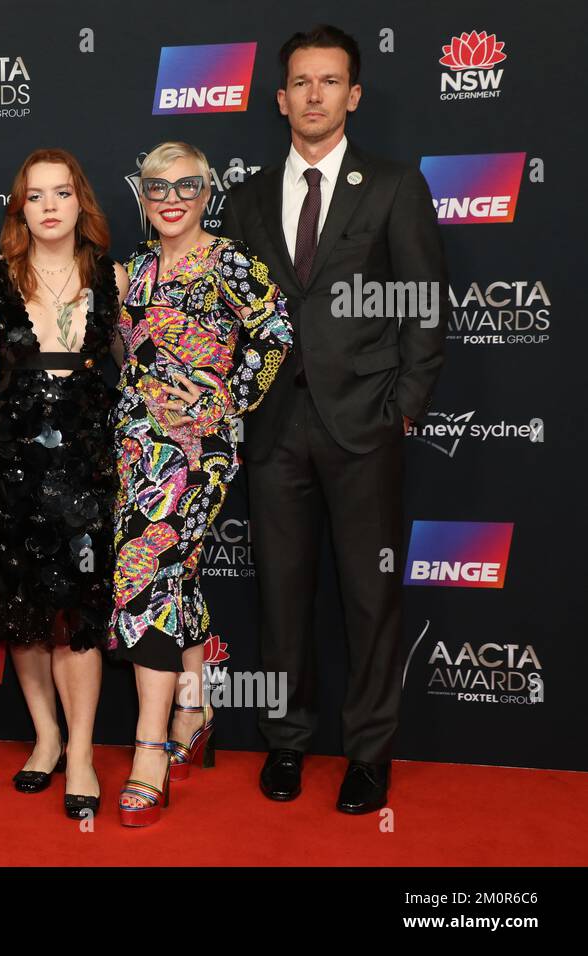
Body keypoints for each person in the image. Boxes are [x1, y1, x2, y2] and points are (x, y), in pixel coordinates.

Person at [221, 24, 447, 813]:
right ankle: (285, 743)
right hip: (274, 428)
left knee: (369, 598)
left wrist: (403, 410)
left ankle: (369, 755)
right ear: (280, 98)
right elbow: (232, 316)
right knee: (282, 595)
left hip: (364, 427)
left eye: (330, 82)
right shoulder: (246, 196)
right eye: (301, 83)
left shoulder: (392, 185)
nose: (314, 95)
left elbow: (423, 305)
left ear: (352, 96)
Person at [112, 142, 292, 826]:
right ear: (142, 193)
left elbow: (276, 334)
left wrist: (227, 397)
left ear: (208, 191)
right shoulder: (131, 268)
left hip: (197, 451)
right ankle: (194, 706)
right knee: (174, 575)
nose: (171, 198)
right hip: (134, 447)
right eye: (157, 186)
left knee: (142, 575)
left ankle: (149, 751)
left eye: (186, 185)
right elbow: (123, 352)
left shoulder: (232, 262)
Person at [0, 149, 124, 820]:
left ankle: (81, 750)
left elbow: (137, 371)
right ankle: (46, 736)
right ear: (19, 208)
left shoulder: (112, 278)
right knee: (25, 615)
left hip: (88, 470)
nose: (49, 206)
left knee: (78, 619)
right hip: (14, 469)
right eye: (35, 195)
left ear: (81, 202)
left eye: (61, 193)